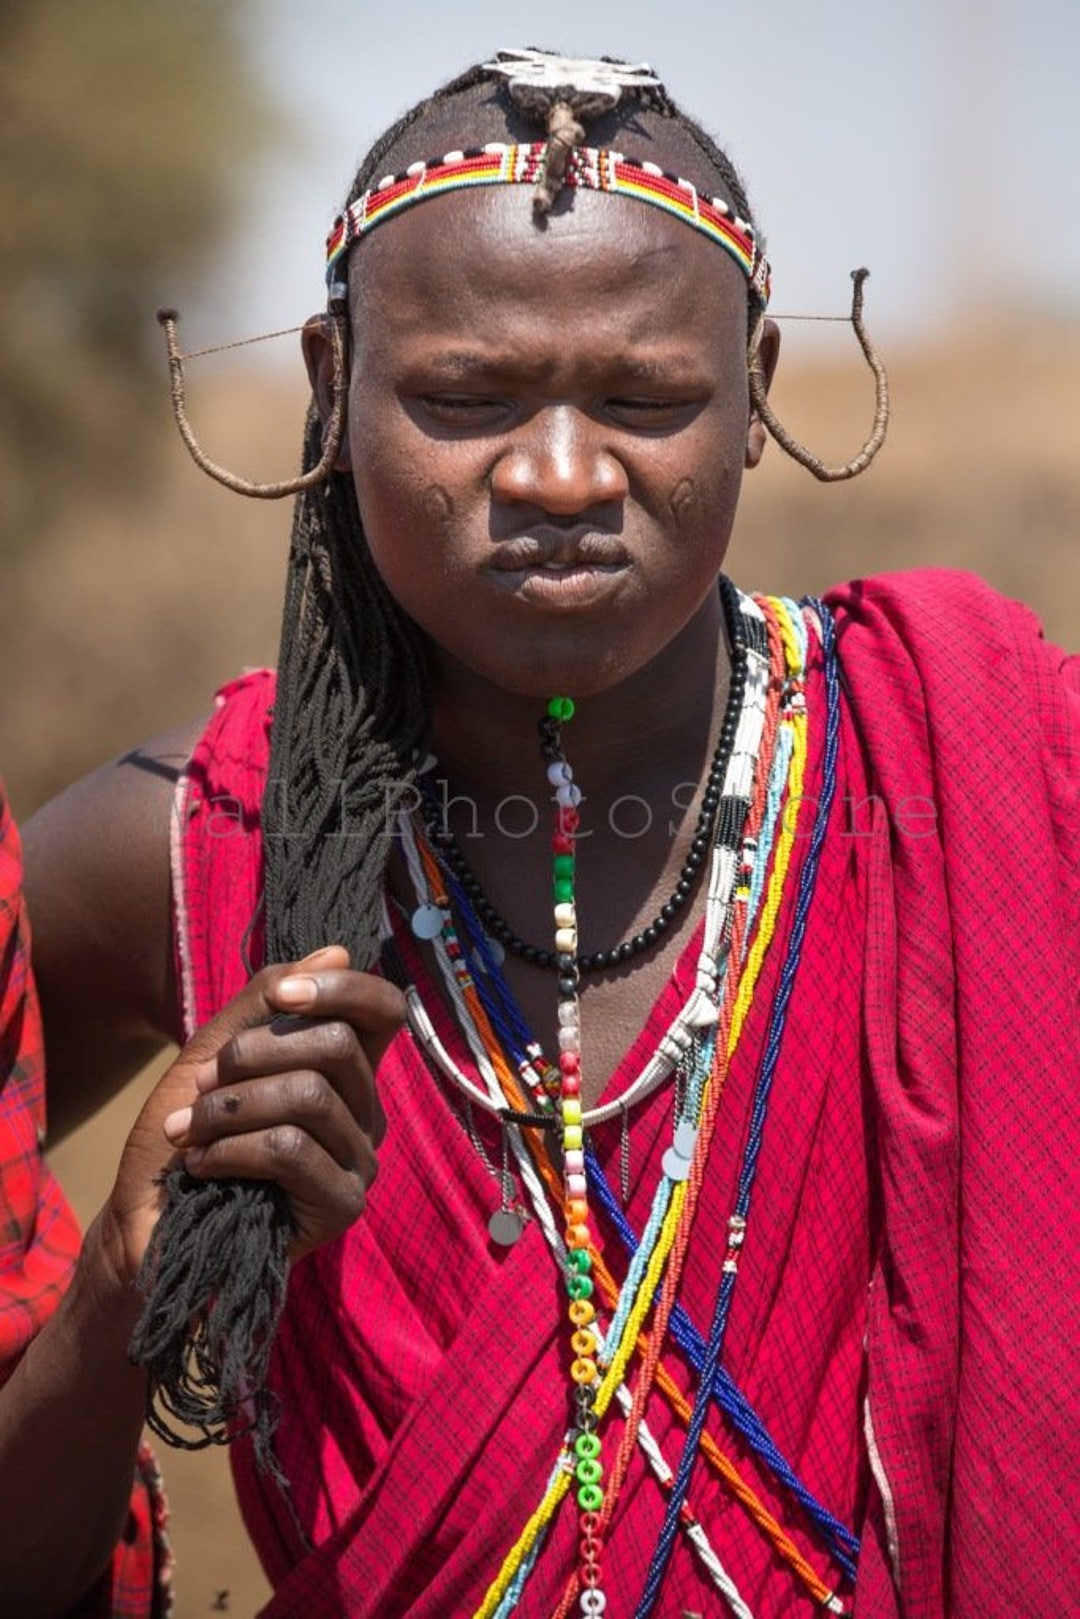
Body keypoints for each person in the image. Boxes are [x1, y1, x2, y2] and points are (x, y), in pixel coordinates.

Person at [20, 47, 1079, 1619]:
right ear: (331, 383)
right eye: (463, 399)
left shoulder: (979, 782)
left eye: (647, 401)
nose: (561, 476)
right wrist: (125, 1276)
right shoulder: (185, 848)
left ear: (760, 395)